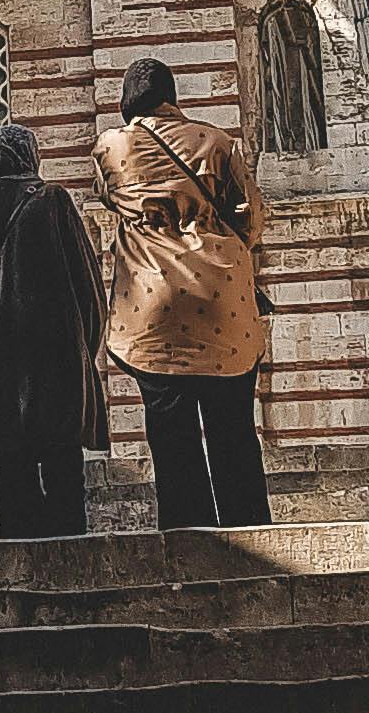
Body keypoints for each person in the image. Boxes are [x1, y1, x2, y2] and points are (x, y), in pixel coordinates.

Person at [92, 57, 271, 528]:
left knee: (172, 438)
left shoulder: (112, 147)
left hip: (153, 311)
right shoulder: (217, 142)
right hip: (225, 305)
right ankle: (249, 532)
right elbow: (251, 217)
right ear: (172, 97)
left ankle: (189, 542)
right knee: (233, 429)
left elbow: (109, 195)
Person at [0, 123, 107, 539]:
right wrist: (83, 343)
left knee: (13, 475)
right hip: (56, 356)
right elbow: (88, 286)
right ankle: (71, 565)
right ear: (32, 157)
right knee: (64, 467)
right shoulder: (54, 201)